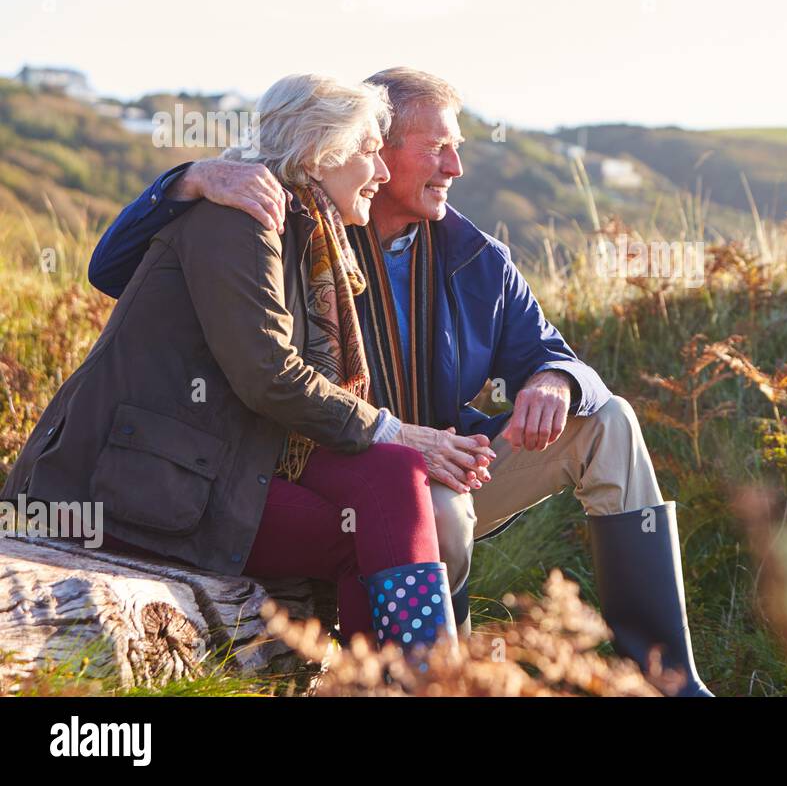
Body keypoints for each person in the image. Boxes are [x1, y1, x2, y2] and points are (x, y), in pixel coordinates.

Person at [86, 68, 713, 696]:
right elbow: (118, 272)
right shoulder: (292, 227)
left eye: (457, 146)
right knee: (428, 507)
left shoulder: (477, 258)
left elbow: (550, 350)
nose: (455, 167)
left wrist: (555, 378)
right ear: (373, 145)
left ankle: (668, 680)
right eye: (437, 148)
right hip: (333, 472)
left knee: (609, 423)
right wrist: (188, 179)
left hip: (447, 460)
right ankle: (446, 674)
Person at [1, 73, 480, 657]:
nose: (380, 174)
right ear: (321, 153)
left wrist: (398, 442)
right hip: (136, 479)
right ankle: (416, 681)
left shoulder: (314, 231)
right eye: (369, 152)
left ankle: (422, 682)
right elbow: (269, 375)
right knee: (373, 527)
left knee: (393, 475)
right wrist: (393, 427)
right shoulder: (240, 216)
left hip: (227, 454)